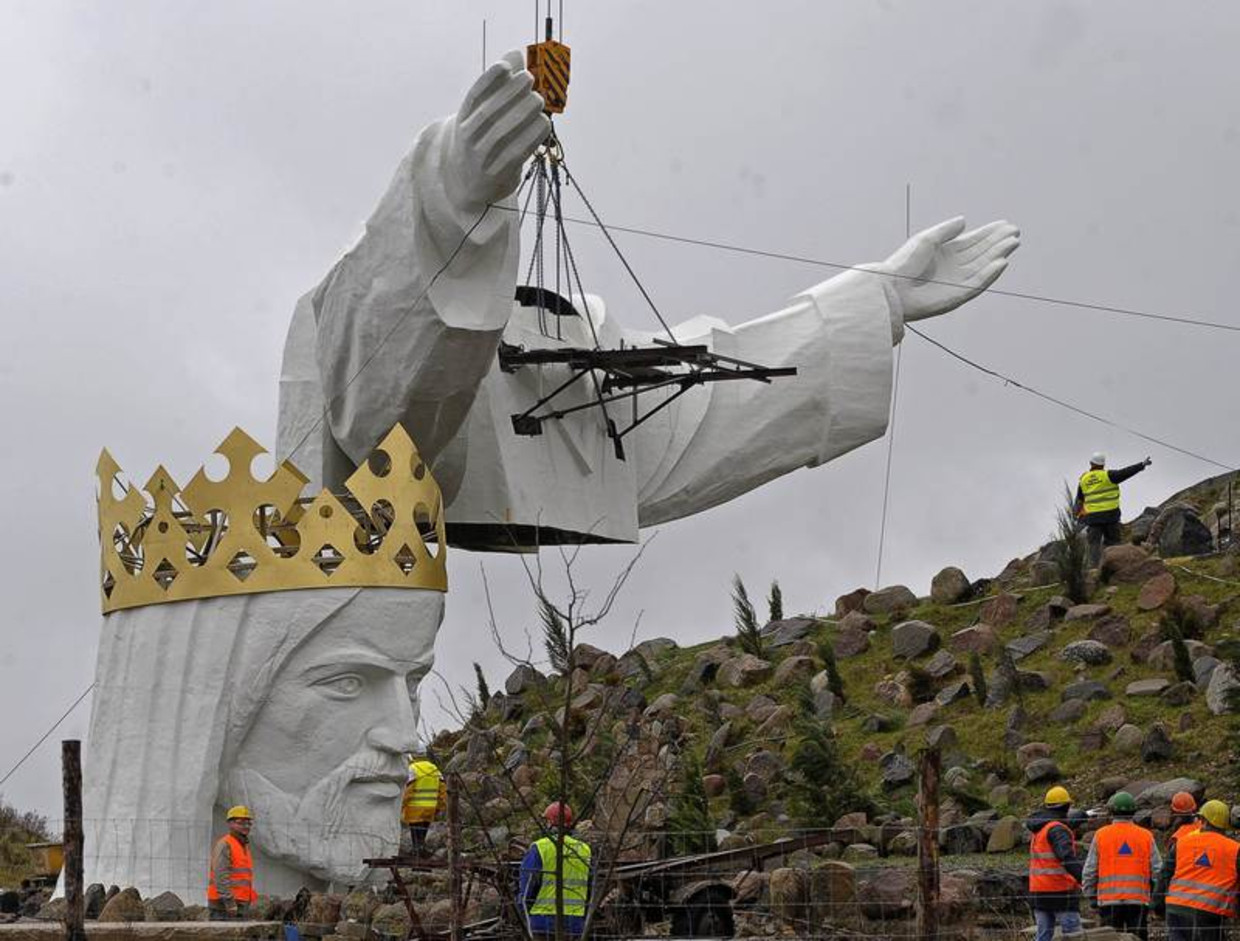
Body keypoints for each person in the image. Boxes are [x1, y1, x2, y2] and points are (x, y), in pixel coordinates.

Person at [276, 51, 1020, 550]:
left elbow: (694, 409)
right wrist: (450, 199)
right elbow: (381, 407)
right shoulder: (349, 336)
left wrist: (872, 304)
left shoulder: (554, 369)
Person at [1156, 800, 1240, 941]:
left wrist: (1157, 905)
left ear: (1203, 820)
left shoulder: (1182, 842)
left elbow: (1165, 874)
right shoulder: (1234, 849)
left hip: (1176, 909)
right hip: (1209, 913)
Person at [1082, 791, 1159, 941]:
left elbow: (1090, 870)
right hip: (1138, 900)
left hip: (1108, 901)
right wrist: (1156, 899)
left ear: (1111, 812)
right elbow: (1157, 871)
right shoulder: (1145, 836)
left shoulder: (1101, 835)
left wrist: (1091, 897)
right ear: (1134, 812)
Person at [520, 803, 593, 939]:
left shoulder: (540, 847)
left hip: (543, 921)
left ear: (550, 822)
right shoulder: (584, 850)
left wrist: (521, 914)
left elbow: (527, 890)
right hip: (575, 922)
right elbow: (590, 887)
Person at [1028, 786, 1085, 941]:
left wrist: (1083, 815)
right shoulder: (1058, 829)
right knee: (1074, 935)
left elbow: (1063, 825)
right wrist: (1084, 878)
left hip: (1039, 892)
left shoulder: (1040, 827)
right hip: (1060, 891)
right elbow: (1066, 857)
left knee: (1043, 936)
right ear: (1067, 806)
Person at [1074, 452, 1152, 564]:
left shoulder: (1084, 480)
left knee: (1094, 545)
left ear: (1091, 463)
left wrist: (1076, 515)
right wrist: (1142, 465)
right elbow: (1126, 472)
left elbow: (1080, 500)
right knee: (1114, 543)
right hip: (1111, 517)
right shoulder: (1109, 475)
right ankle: (1116, 565)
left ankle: (1094, 569)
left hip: (1093, 518)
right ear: (1103, 465)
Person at [208, 806, 256, 921]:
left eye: (248, 823)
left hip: (239, 905)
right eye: (241, 823)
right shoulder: (225, 844)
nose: (246, 826)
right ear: (230, 824)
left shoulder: (243, 845)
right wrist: (229, 903)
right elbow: (220, 876)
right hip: (224, 907)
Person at [402, 755, 447, 856]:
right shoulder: (434, 769)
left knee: (416, 837)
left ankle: (417, 861)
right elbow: (443, 790)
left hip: (414, 808)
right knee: (422, 836)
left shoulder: (413, 769)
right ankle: (421, 858)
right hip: (430, 808)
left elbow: (409, 790)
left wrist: (402, 805)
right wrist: (440, 806)